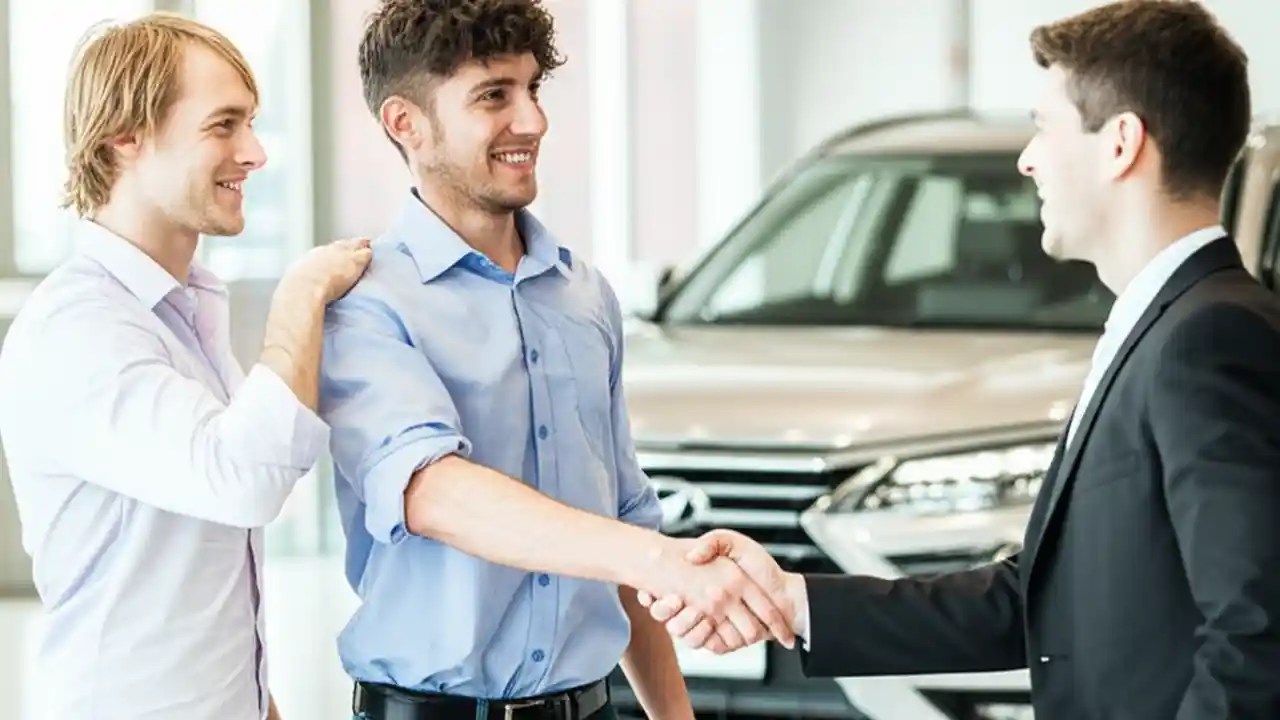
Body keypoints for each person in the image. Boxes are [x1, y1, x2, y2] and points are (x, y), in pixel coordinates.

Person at [644, 1, 1280, 718]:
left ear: (1121, 144)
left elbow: (1259, 633)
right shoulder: (1160, 329)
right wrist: (789, 599)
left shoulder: (1210, 338)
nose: (1028, 158)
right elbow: (1029, 602)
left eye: (1046, 128)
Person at [316, 1, 794, 719]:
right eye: (493, 96)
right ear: (404, 123)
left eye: (533, 88)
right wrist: (654, 559)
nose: (533, 121)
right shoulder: (365, 303)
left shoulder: (584, 297)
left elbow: (627, 529)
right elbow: (433, 493)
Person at [0, 13, 371, 720]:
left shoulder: (181, 309)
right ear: (125, 135)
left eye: (251, 123)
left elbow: (196, 556)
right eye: (223, 125)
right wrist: (300, 296)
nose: (255, 152)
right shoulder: (77, 329)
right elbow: (243, 480)